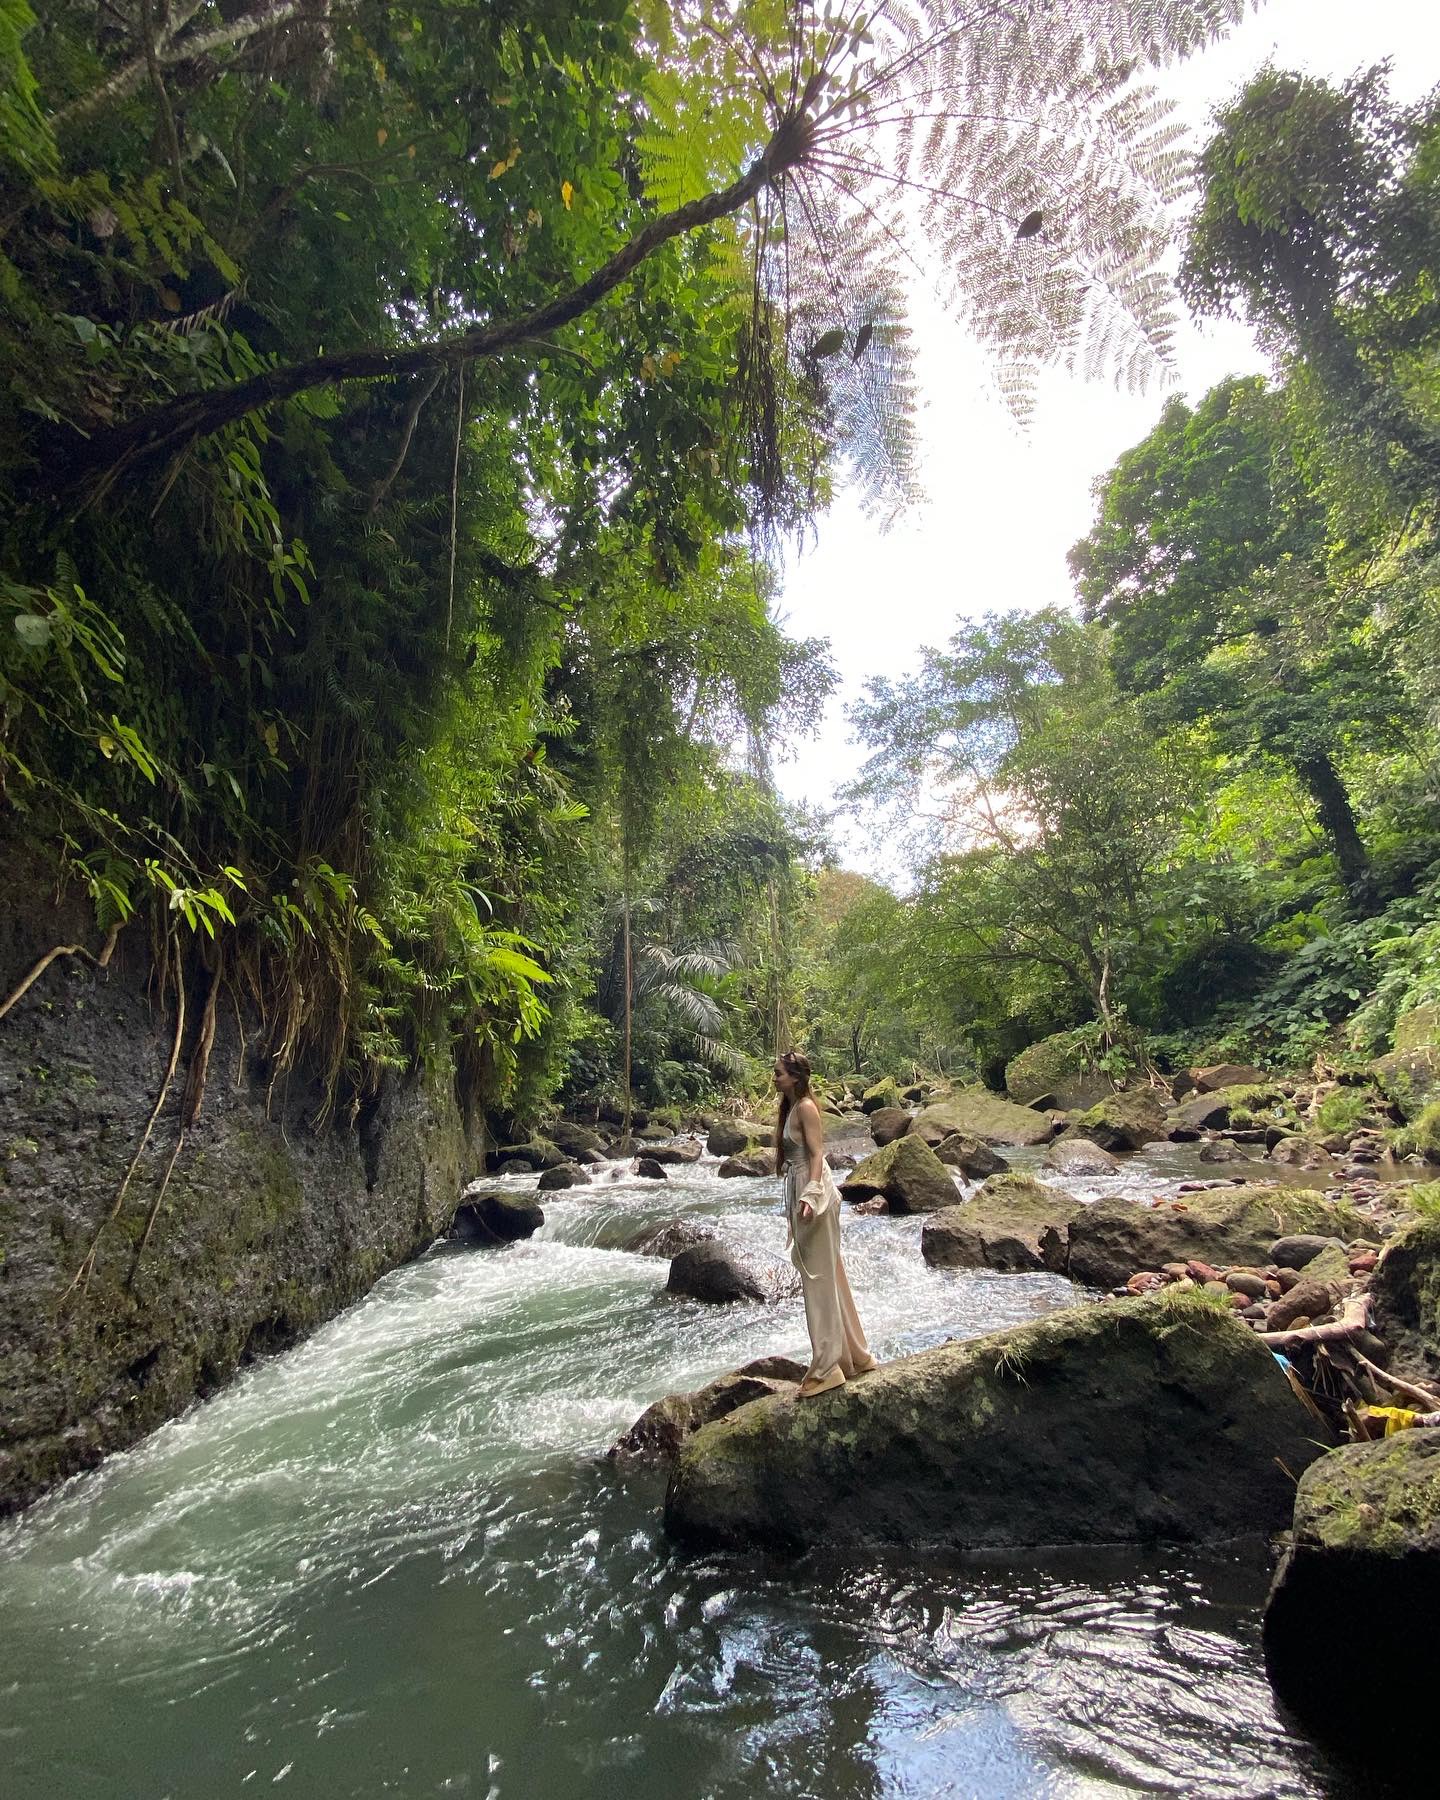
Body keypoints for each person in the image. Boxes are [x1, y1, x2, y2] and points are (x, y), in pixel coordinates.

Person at [774, 1049, 877, 1398]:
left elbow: (818, 1153)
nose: (774, 1079)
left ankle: (827, 1368)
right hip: (803, 1189)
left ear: (795, 1077)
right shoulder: (791, 1106)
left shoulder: (804, 1107)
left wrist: (811, 1195)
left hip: (813, 1192)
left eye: (779, 1073)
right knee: (830, 1275)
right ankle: (855, 1358)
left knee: (818, 1281)